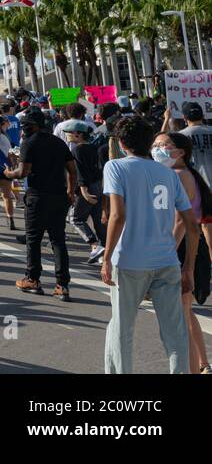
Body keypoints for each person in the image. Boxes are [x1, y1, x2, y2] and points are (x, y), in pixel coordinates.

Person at [101, 116, 198, 373]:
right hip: (166, 260)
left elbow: (117, 215)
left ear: (121, 143)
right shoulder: (168, 173)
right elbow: (192, 224)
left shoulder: (115, 167)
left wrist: (106, 256)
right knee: (174, 332)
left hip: (130, 260)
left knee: (123, 328)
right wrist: (188, 266)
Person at [154, 131, 212, 373]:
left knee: (180, 318)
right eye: (155, 144)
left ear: (180, 153)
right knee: (185, 314)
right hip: (187, 246)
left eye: (163, 145)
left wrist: (164, 253)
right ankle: (202, 364)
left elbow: (180, 221)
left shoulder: (178, 175)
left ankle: (192, 369)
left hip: (181, 248)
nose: (157, 149)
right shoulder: (183, 173)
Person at [5, 108, 76, 299]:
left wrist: (8, 173)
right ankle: (62, 284)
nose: (24, 128)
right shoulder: (58, 141)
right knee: (58, 240)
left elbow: (23, 172)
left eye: (26, 124)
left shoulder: (29, 143)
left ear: (34, 125)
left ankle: (33, 279)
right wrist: (70, 189)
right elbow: (71, 167)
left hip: (37, 197)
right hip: (59, 196)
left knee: (33, 240)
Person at [62, 119, 105, 264]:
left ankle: (94, 245)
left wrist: (84, 190)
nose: (67, 135)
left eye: (68, 132)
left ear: (77, 134)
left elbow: (80, 172)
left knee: (75, 218)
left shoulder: (77, 149)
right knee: (99, 221)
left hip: (86, 187)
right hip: (98, 186)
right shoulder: (94, 147)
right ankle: (105, 252)